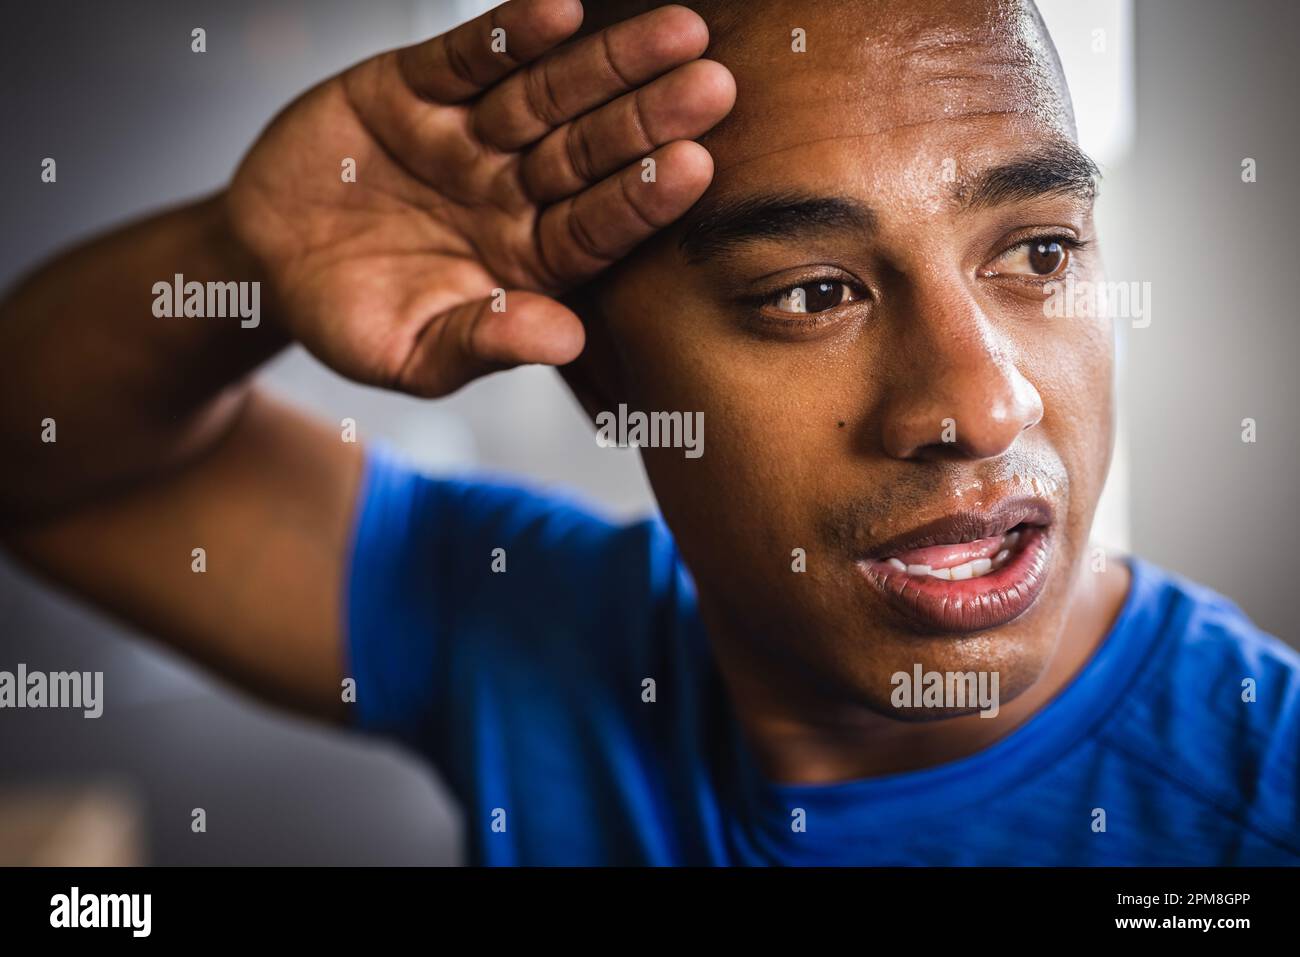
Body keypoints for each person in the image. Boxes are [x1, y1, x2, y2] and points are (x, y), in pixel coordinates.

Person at [1, 0, 1296, 865]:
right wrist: (240, 252)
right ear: (601, 379)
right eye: (810, 292)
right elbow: (42, 470)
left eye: (1041, 250)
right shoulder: (534, 633)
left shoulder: (1257, 790)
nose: (984, 405)